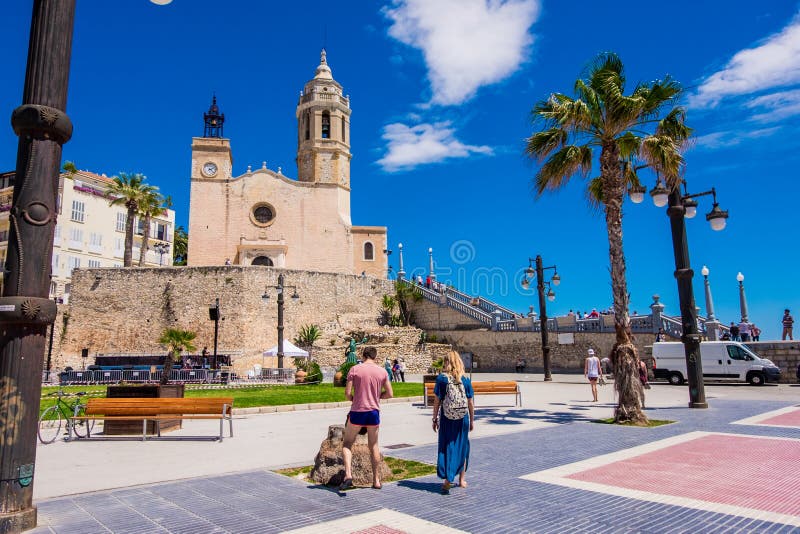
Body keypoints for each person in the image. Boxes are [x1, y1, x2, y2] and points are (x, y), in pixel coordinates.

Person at [340, 346, 393, 490]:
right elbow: (390, 394)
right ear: (375, 357)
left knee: (347, 444)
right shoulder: (382, 371)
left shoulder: (355, 369)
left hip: (357, 411)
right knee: (373, 445)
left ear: (363, 356)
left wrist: (354, 399)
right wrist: (377, 396)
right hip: (373, 412)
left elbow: (347, 393)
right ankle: (376, 480)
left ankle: (349, 475)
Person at [432, 350, 474, 494]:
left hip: (447, 418)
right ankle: (461, 480)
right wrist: (472, 420)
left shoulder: (442, 379)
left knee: (448, 446)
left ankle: (448, 479)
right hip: (463, 418)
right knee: (462, 447)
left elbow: (437, 401)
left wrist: (434, 418)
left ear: (447, 362)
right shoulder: (466, 380)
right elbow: (470, 403)